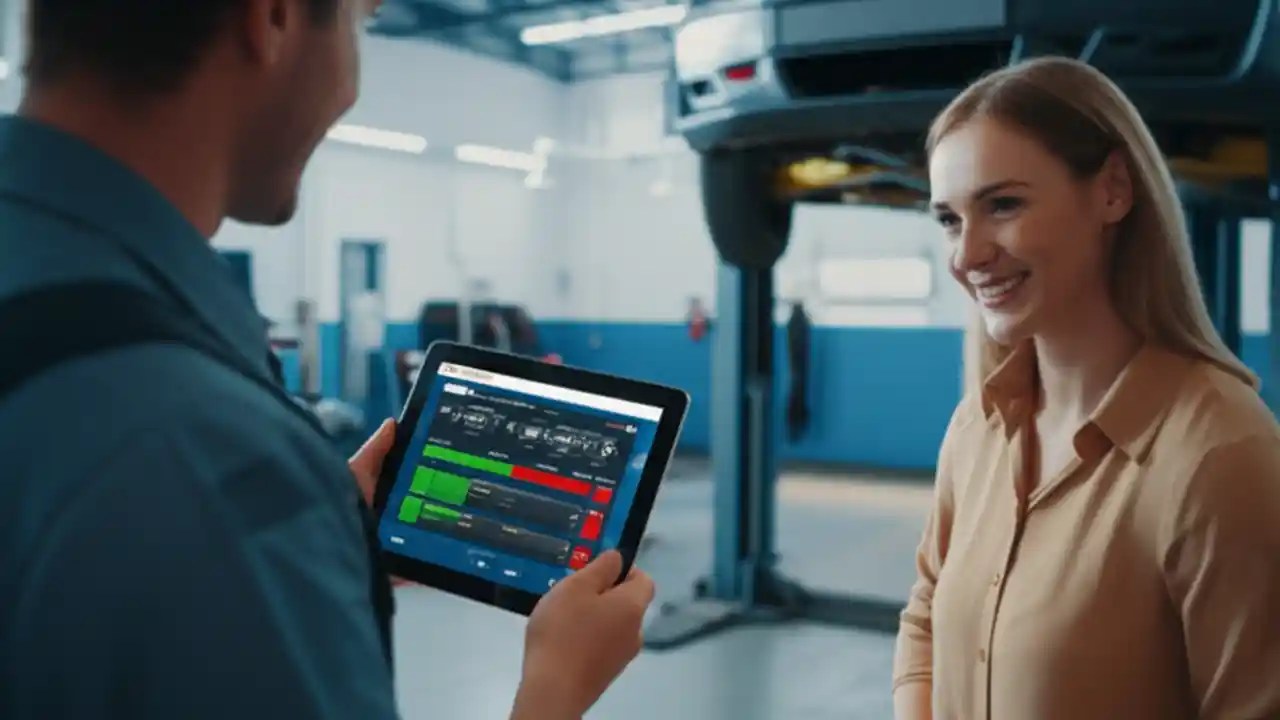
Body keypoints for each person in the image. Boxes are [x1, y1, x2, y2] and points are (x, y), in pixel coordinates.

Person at [0, 1, 654, 719]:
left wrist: (315, 539)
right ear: (271, 17)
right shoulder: (211, 460)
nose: (351, 84)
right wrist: (556, 688)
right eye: (360, 22)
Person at [893, 57, 1280, 720]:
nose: (966, 255)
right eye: (951, 220)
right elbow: (926, 615)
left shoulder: (1221, 457)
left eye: (1003, 204)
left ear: (1113, 191)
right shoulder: (977, 425)